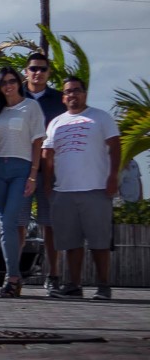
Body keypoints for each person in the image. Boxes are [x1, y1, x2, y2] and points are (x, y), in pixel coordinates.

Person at [44, 77, 121, 300]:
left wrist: (113, 176)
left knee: (99, 241)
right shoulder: (56, 122)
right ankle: (74, 285)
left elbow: (115, 146)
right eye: (68, 92)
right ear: (63, 97)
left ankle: (103, 286)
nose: (72, 95)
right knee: (71, 242)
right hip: (64, 191)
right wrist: (48, 184)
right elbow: (47, 155)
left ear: (84, 94)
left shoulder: (101, 117)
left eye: (76, 91)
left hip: (96, 189)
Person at [0, 66, 45, 297]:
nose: (9, 85)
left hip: (21, 169)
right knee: (5, 225)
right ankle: (12, 275)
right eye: (4, 83)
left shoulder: (31, 107)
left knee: (11, 222)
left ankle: (12, 277)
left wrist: (33, 174)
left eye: (12, 81)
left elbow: (37, 142)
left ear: (19, 82)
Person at [19, 52, 67, 293]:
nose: (37, 73)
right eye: (33, 68)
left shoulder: (60, 100)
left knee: (50, 224)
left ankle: (53, 274)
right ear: (26, 71)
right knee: (18, 223)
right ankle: (14, 275)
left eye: (42, 69)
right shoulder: (14, 96)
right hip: (20, 167)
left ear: (48, 73)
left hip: (49, 169)